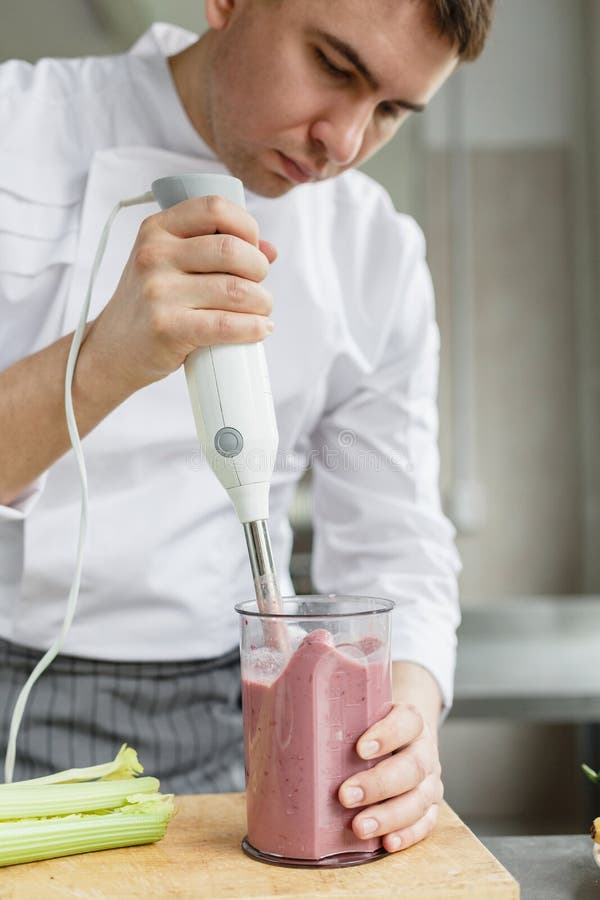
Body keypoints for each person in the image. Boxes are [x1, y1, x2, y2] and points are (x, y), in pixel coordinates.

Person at [0, 0, 493, 854]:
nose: (343, 140)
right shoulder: (17, 131)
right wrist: (106, 361)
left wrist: (404, 716)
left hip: (236, 724)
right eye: (334, 67)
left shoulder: (371, 254)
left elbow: (389, 532)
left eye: (391, 111)